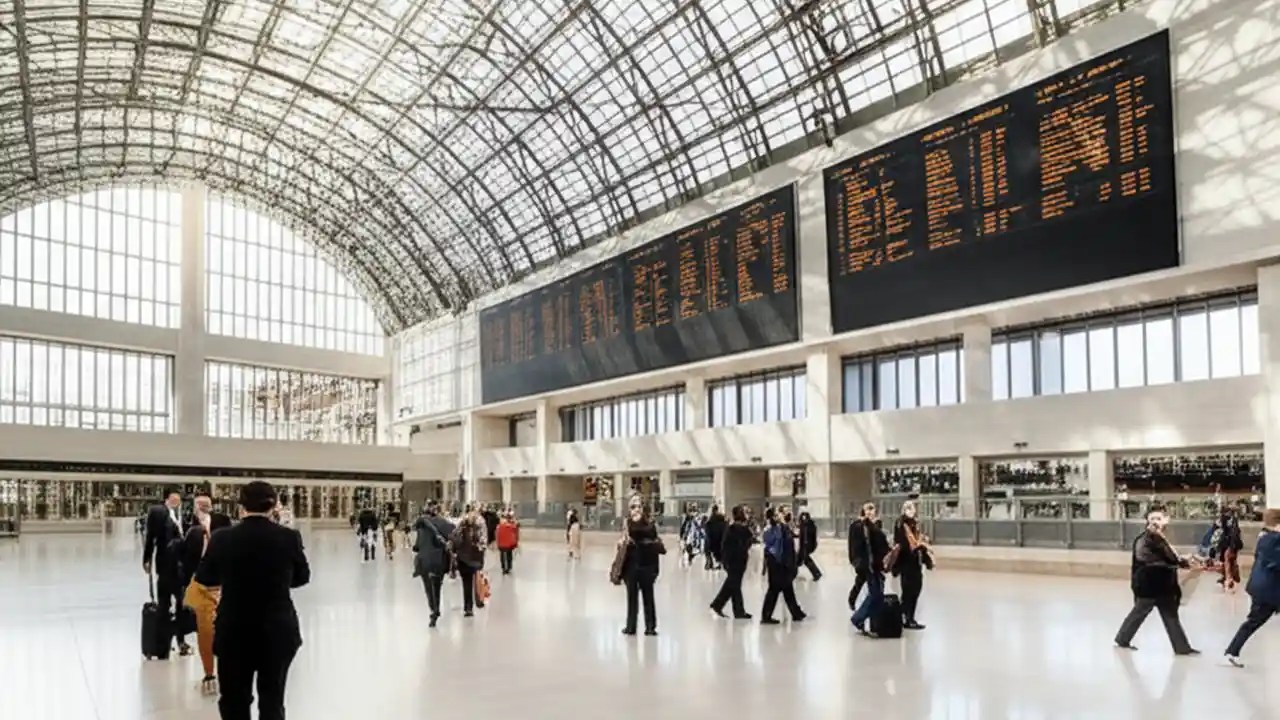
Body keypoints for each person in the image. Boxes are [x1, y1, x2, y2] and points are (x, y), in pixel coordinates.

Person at [196, 481, 310, 720]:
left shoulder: (222, 537)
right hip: (277, 629)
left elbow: (205, 577)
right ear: (274, 505)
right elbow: (302, 577)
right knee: (272, 700)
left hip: (234, 630)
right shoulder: (288, 537)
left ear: (241, 506)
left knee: (234, 701)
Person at [1114, 510, 1199, 655]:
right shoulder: (1144, 540)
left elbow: (1170, 558)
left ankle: (1182, 647)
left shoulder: (1160, 539)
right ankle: (1122, 639)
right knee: (1140, 612)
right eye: (1154, 519)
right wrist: (1176, 564)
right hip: (1149, 586)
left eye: (1160, 519)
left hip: (1163, 586)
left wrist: (1182, 562)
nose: (1158, 523)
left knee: (1170, 616)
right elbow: (1149, 560)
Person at [181, 493, 233, 694]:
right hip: (218, 587)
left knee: (207, 633)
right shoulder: (200, 531)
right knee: (214, 632)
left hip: (208, 587)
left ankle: (211, 673)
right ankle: (216, 672)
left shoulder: (198, 532)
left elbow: (187, 561)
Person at [1224, 508, 1280, 667]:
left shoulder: (1265, 538)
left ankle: (1232, 651)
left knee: (1253, 622)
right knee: (1253, 621)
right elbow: (1276, 563)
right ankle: (1232, 651)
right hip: (1268, 591)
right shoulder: (1273, 539)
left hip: (1263, 588)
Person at [143, 490, 192, 657]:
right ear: (167, 498)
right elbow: (151, 536)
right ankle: (162, 643)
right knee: (164, 603)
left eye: (179, 498)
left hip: (181, 564)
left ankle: (180, 640)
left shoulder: (184, 514)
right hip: (166, 563)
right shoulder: (158, 512)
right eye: (173, 497)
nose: (177, 500)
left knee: (181, 602)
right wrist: (147, 558)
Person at [621, 506, 664, 636]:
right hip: (633, 566)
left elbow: (638, 531)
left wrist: (631, 522)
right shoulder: (629, 525)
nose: (636, 510)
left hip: (646, 566)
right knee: (632, 597)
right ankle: (632, 626)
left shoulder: (647, 526)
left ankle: (648, 627)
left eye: (639, 507)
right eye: (633, 507)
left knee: (647, 597)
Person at [412, 502, 456, 627]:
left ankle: (433, 610)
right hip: (438, 560)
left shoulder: (422, 526)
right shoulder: (444, 523)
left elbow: (417, 545)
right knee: (436, 586)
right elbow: (453, 534)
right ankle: (436, 607)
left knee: (428, 587)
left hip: (424, 560)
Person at [851, 503, 891, 636]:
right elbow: (858, 547)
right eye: (867, 510)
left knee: (877, 595)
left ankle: (873, 623)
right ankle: (858, 618)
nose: (869, 513)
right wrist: (858, 563)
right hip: (869, 566)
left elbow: (881, 545)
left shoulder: (875, 526)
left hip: (877, 565)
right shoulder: (861, 527)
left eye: (871, 510)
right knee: (875, 594)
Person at [760, 508, 805, 625]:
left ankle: (796, 612)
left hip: (776, 562)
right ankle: (766, 615)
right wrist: (789, 563)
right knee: (776, 589)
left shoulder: (772, 529)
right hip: (779, 563)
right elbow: (783, 548)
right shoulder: (778, 529)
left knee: (786, 588)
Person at [710, 505, 754, 619]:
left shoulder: (733, 528)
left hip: (735, 561)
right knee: (732, 584)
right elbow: (747, 540)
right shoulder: (736, 529)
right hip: (735, 562)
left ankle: (738, 611)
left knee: (735, 586)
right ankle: (718, 604)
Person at [891, 501, 930, 630]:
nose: (910, 510)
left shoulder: (915, 523)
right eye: (908, 508)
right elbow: (902, 543)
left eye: (912, 508)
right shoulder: (901, 524)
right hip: (906, 562)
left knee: (915, 589)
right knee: (908, 591)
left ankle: (908, 616)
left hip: (916, 562)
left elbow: (918, 541)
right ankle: (907, 618)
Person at [450, 511, 487, 617]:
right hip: (475, 558)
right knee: (477, 581)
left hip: (463, 559)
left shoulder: (461, 526)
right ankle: (479, 600)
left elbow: (453, 539)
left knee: (466, 583)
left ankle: (468, 608)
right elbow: (483, 543)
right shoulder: (480, 525)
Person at [847, 505, 870, 610]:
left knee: (862, 580)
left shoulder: (862, 525)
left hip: (862, 559)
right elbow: (856, 544)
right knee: (863, 580)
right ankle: (853, 600)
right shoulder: (858, 526)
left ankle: (852, 599)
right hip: (862, 559)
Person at [1216, 506, 1244, 590]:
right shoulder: (1230, 520)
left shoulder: (1231, 520)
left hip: (1231, 543)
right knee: (1228, 560)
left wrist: (1232, 546)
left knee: (1227, 559)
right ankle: (1229, 576)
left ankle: (1229, 578)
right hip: (1228, 543)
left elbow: (1233, 533)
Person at [798, 510, 822, 581]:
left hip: (807, 545)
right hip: (804, 546)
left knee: (805, 559)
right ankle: (817, 573)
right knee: (800, 559)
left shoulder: (808, 526)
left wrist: (807, 545)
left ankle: (816, 573)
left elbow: (808, 537)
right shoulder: (805, 525)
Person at [496, 511, 520, 575]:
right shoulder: (508, 526)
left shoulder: (500, 526)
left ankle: (505, 568)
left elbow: (516, 528)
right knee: (507, 555)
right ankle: (507, 567)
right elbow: (516, 528)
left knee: (505, 556)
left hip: (505, 544)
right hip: (506, 544)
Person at [704, 505, 727, 571]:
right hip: (720, 543)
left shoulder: (709, 522)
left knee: (707, 548)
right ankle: (719, 563)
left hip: (712, 543)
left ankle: (709, 562)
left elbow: (707, 534)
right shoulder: (723, 521)